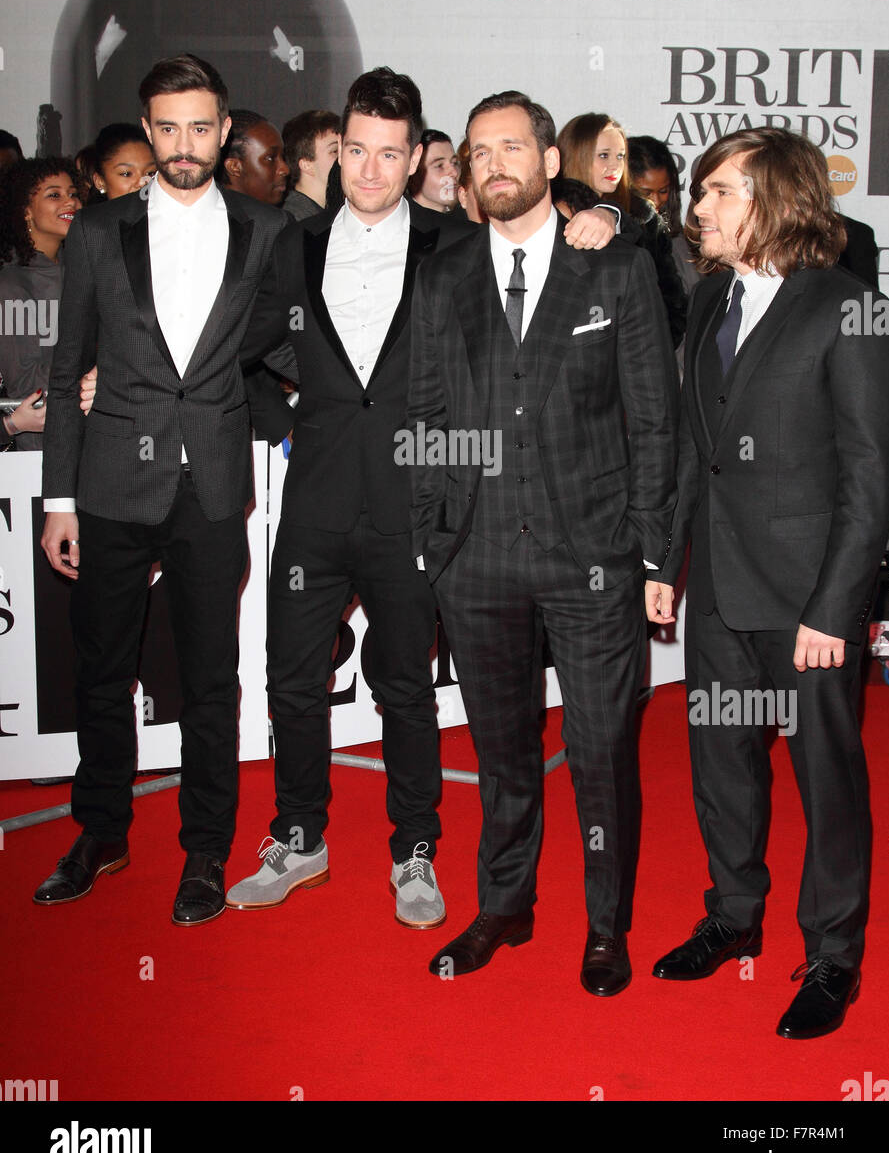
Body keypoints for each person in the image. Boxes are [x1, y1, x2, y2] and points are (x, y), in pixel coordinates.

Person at [228, 69, 620, 926]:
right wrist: (279, 422)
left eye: (389, 155)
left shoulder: (455, 244)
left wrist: (609, 213)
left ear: (416, 162)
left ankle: (414, 850)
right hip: (319, 497)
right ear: (337, 156)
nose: (369, 170)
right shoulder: (293, 246)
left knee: (405, 684)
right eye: (355, 152)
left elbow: (544, 238)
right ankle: (299, 836)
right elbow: (236, 348)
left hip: (417, 501)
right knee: (293, 679)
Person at [409, 91, 679, 993]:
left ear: (549, 162)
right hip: (476, 562)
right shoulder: (442, 275)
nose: (492, 164)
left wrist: (652, 557)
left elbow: (653, 420)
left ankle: (607, 927)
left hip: (593, 559)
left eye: (511, 147)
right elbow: (427, 414)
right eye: (477, 151)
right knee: (502, 752)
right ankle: (505, 906)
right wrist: (431, 542)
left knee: (601, 755)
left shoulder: (614, 272)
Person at [646, 127, 889, 1039]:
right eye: (700, 193)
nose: (697, 208)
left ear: (773, 201)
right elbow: (689, 452)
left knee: (827, 775)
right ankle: (733, 914)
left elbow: (872, 476)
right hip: (715, 585)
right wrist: (662, 563)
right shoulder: (710, 300)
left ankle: (834, 956)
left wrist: (837, 608)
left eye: (717, 193)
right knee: (722, 762)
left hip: (808, 603)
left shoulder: (848, 306)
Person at [34, 54, 288, 926]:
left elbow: (294, 337)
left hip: (212, 485)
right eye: (167, 127)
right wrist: (57, 499)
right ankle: (101, 830)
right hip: (108, 483)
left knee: (211, 679)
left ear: (224, 132)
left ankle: (206, 851)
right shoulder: (99, 231)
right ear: (147, 131)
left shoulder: (267, 230)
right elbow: (69, 368)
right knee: (102, 671)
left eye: (201, 127)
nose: (185, 144)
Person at [558, 112, 688, 348]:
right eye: (604, 155)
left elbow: (670, 297)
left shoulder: (641, 215)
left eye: (620, 156)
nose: (614, 165)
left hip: (636, 352)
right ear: (577, 154)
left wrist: (653, 347)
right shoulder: (552, 211)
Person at [0, 157, 82, 450]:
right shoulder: (12, 283)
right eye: (54, 195)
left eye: (73, 194)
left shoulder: (79, 267)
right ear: (25, 211)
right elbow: (26, 386)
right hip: (41, 451)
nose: (70, 203)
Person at [627, 135, 700, 296]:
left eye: (663, 191)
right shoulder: (618, 239)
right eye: (645, 193)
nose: (655, 201)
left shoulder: (679, 244)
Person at [218, 110, 289, 206]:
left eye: (283, 157)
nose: (285, 170)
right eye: (270, 158)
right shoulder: (213, 219)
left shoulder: (281, 218)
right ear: (234, 167)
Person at [281, 109, 340, 222]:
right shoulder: (293, 221)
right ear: (306, 164)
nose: (343, 158)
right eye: (335, 151)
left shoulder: (329, 214)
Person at [89, 123, 156, 200]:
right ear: (100, 182)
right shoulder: (89, 212)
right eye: (126, 174)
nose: (142, 183)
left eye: (151, 173)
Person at [408, 130, 460, 215]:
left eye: (454, 163)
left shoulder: (464, 221)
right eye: (439, 166)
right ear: (415, 173)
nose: (454, 173)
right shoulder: (401, 224)